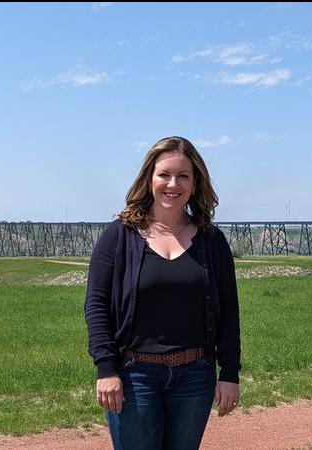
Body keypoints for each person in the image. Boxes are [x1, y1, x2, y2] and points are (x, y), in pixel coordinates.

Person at [85, 136, 241, 449]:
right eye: (164, 175)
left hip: (195, 375)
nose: (173, 184)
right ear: (149, 179)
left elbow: (229, 311)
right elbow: (96, 306)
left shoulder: (212, 241)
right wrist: (106, 368)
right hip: (135, 375)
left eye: (183, 175)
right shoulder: (119, 235)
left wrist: (230, 373)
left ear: (195, 183)